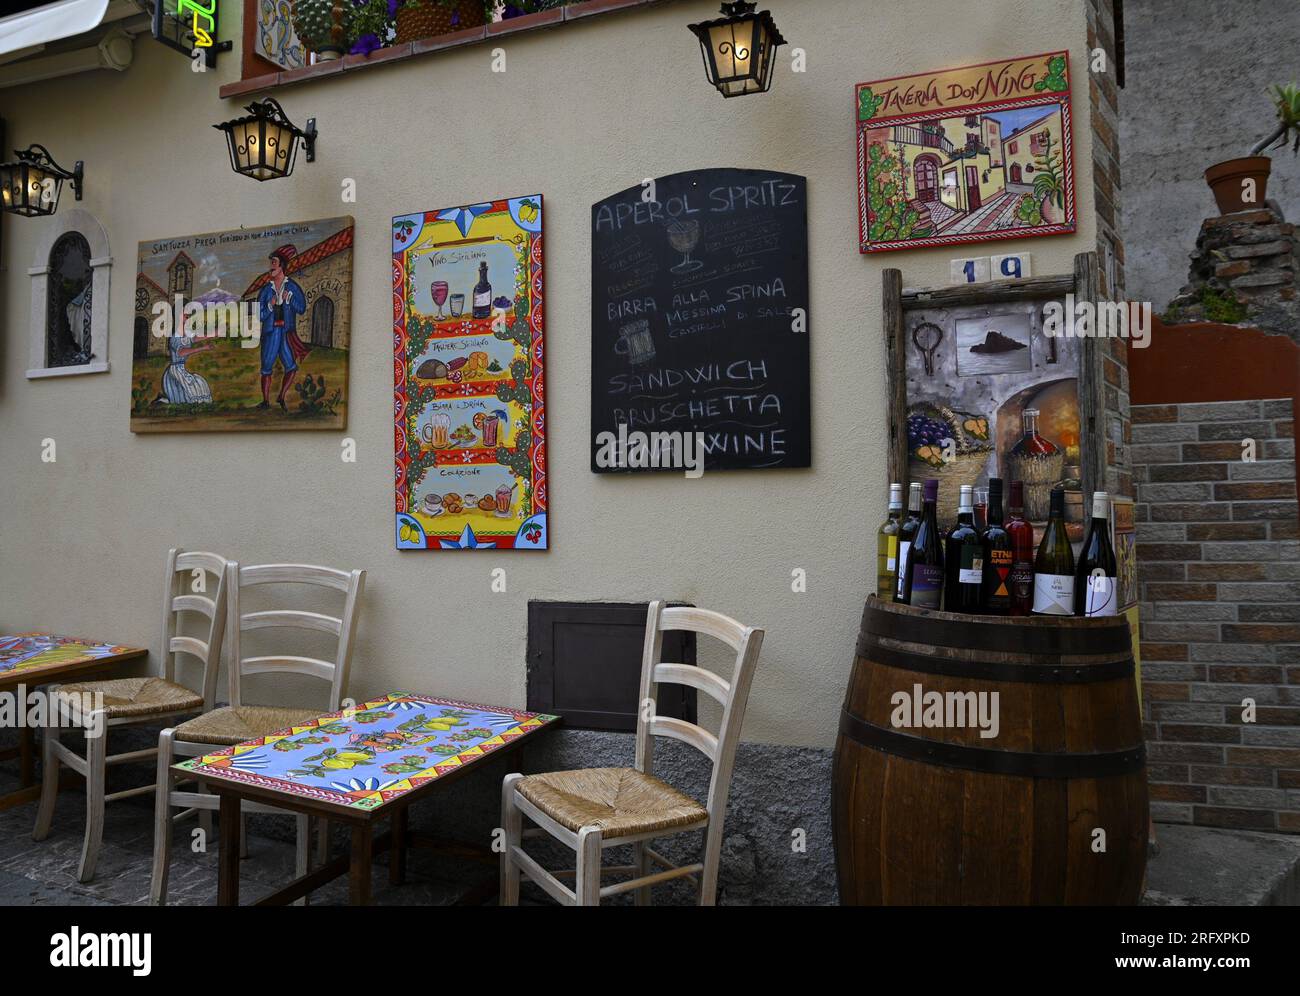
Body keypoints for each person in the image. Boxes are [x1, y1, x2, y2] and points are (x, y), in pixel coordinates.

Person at [257, 245, 310, 411]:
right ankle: (265, 401)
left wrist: (290, 300)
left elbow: (301, 308)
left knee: (291, 366)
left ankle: (281, 396)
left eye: (274, 262)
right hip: (271, 333)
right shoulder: (266, 290)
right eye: (271, 263)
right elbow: (259, 315)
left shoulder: (292, 287)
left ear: (282, 267)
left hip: (286, 333)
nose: (271, 266)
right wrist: (270, 305)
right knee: (266, 368)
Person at [157, 333, 213, 405]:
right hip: (175, 371)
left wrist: (214, 334)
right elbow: (181, 352)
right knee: (190, 389)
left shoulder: (186, 336)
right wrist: (203, 348)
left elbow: (195, 338)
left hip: (181, 368)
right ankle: (164, 400)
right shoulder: (175, 338)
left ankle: (165, 400)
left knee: (200, 383)